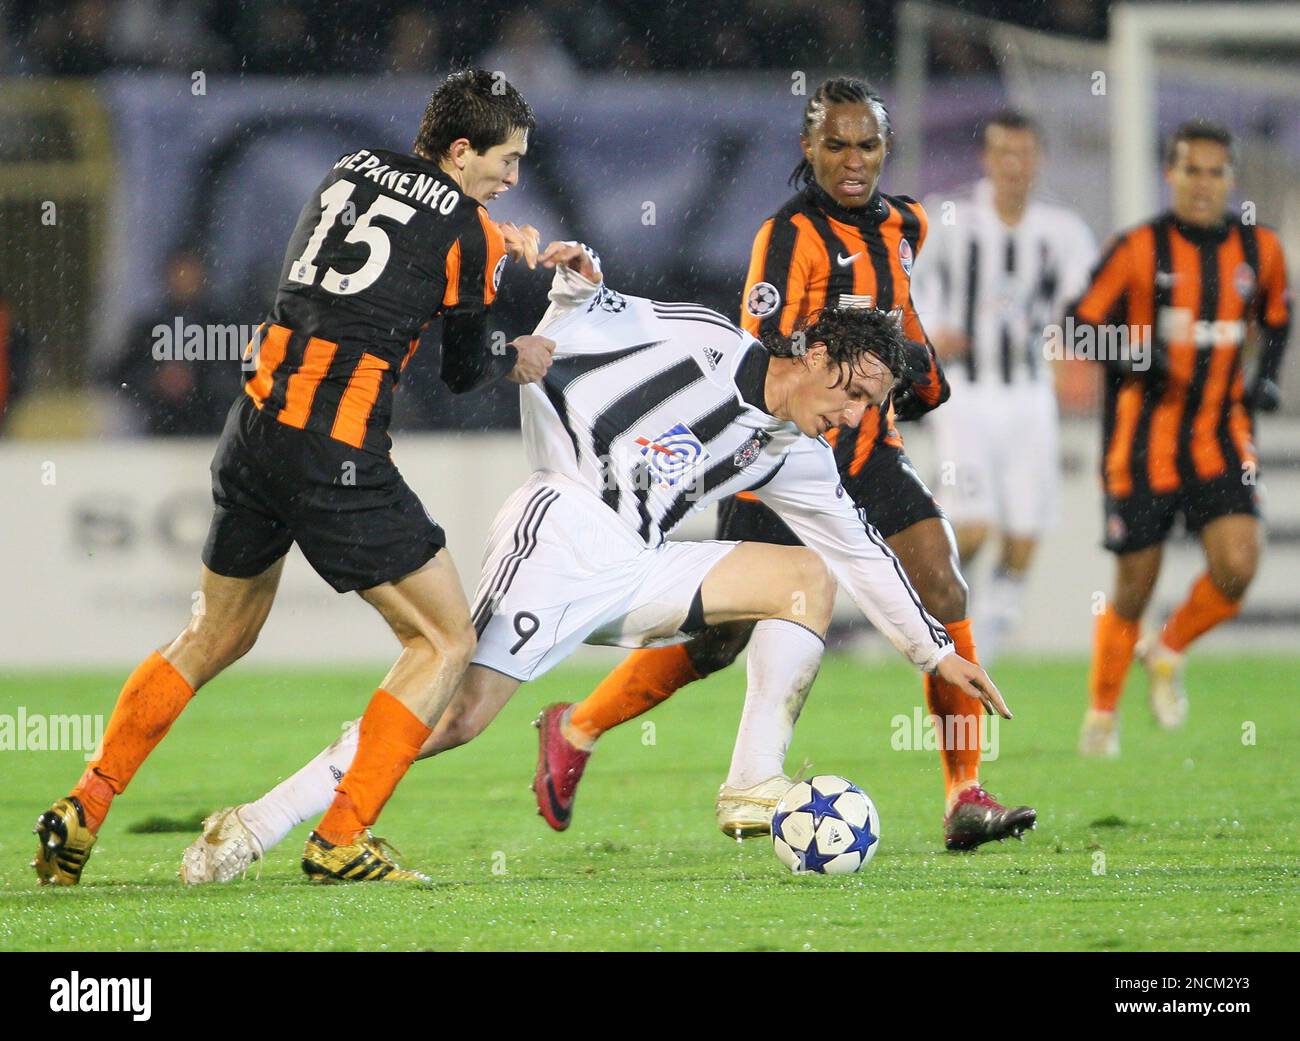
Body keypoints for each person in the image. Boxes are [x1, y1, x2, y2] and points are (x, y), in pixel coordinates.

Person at [179, 241, 1007, 884]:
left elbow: (862, 550)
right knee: (456, 714)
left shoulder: (794, 454)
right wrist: (568, 277)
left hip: (639, 562)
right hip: (563, 529)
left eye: (871, 406)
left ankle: (752, 780)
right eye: (854, 393)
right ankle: (255, 821)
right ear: (819, 357)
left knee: (807, 579)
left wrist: (934, 652)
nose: (856, 416)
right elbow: (575, 305)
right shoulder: (696, 339)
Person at [32, 69, 552, 886]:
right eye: (506, 161)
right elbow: (460, 368)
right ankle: (341, 834)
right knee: (446, 638)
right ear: (461, 151)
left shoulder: (346, 169)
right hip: (335, 448)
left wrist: (487, 252)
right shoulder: (471, 233)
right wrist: (513, 342)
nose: (512, 179)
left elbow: (368, 271)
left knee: (215, 632)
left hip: (255, 428)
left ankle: (85, 804)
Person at [535, 77, 1035, 851]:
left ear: (885, 147)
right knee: (718, 641)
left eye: (866, 143)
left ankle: (964, 792)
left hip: (868, 449)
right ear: (808, 148)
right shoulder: (788, 235)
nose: (852, 159)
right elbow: (762, 352)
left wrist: (915, 363)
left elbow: (896, 306)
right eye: (834, 143)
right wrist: (850, 366)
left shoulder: (908, 223)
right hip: (786, 454)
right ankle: (578, 723)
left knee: (940, 578)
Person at [1075, 119, 1291, 756]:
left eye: (1214, 171)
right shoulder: (1138, 249)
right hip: (1140, 446)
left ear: (1231, 179)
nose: (1202, 182)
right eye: (1190, 169)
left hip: (1221, 438)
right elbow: (1078, 327)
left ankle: (1167, 651)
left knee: (1238, 565)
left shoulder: (1261, 252)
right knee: (1135, 586)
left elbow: (1277, 315)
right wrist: (1142, 358)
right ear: (1170, 174)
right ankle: (1101, 716)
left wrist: (1268, 379)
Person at [911, 111, 1097, 662]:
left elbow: (1083, 309)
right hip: (966, 393)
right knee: (971, 529)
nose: (1014, 166)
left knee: (1024, 530)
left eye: (1024, 154)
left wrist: (1076, 351)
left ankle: (987, 637)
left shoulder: (1062, 232)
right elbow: (904, 286)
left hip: (1030, 395)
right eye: (1003, 154)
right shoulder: (949, 220)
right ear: (986, 160)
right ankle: (936, 615)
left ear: (1037, 160)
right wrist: (927, 333)